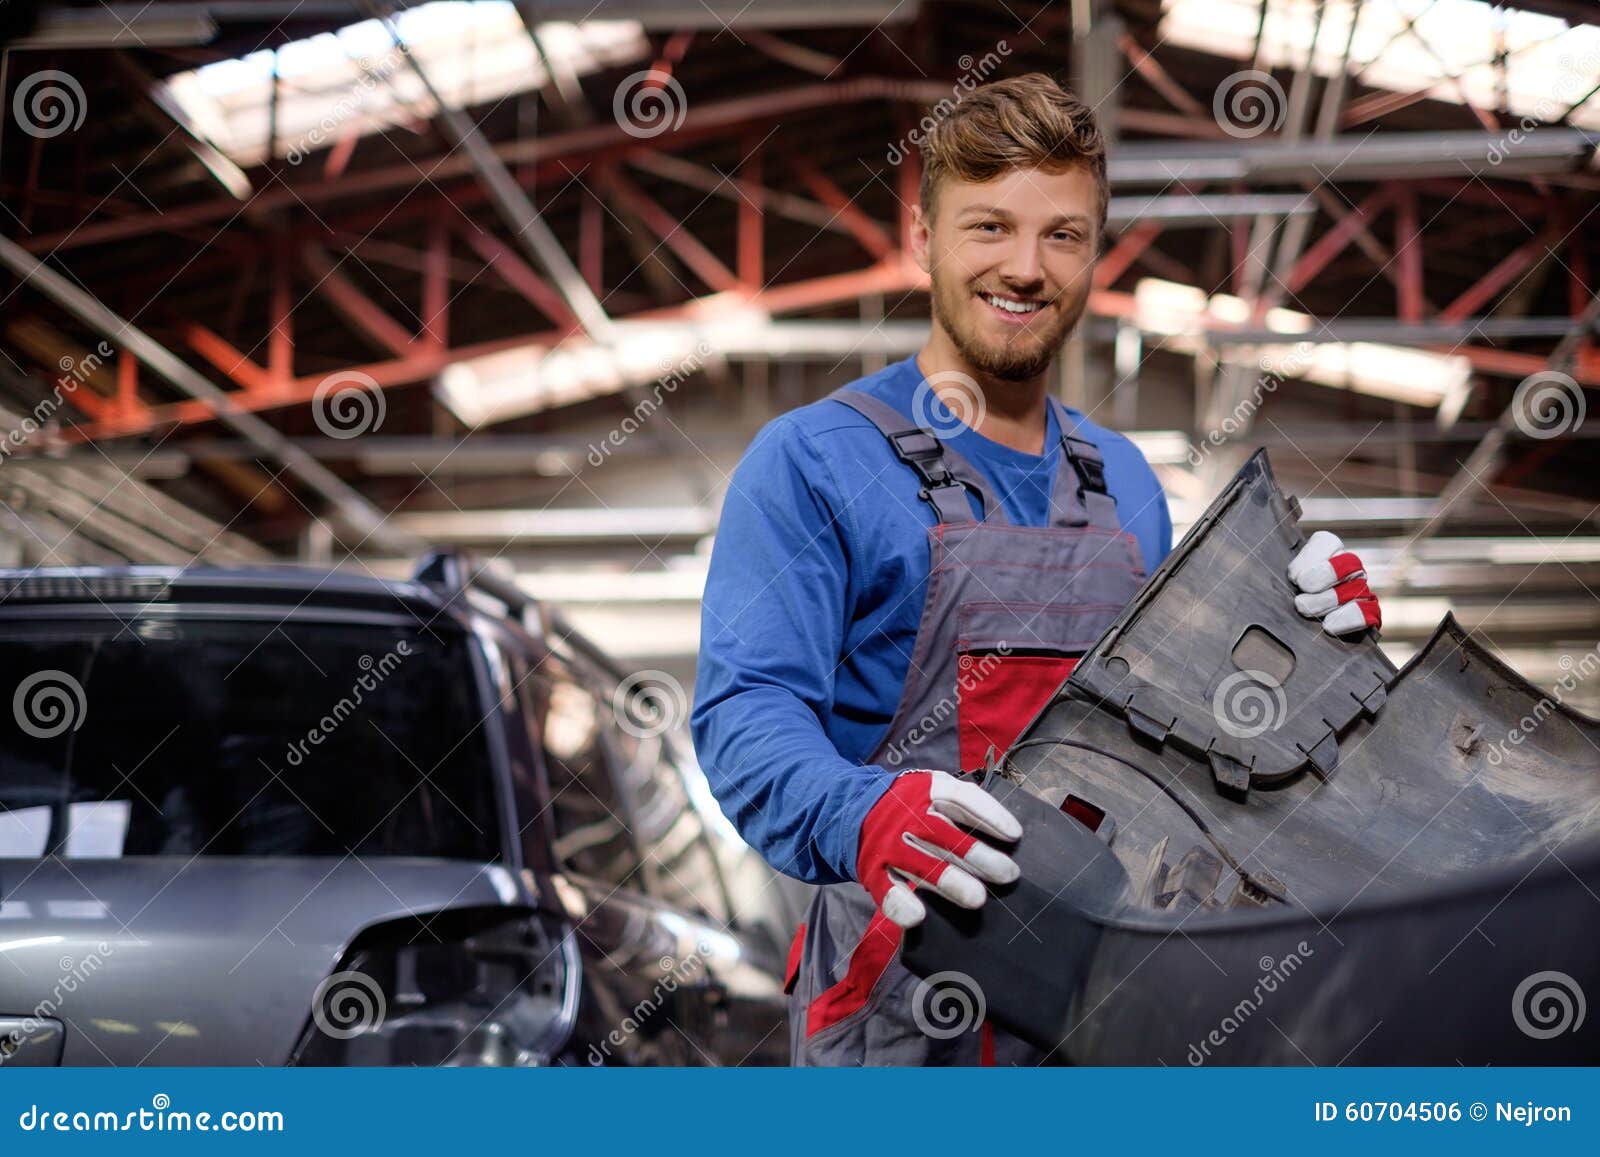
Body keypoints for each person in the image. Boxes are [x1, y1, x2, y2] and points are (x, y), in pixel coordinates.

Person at [691, 73, 1381, 1066]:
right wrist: (864, 811)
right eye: (989, 227)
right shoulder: (812, 462)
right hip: (897, 1015)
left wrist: (1304, 647)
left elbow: (1187, 744)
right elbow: (745, 711)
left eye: (1062, 234)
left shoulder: (1126, 483)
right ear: (923, 237)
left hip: (1107, 1012)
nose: (1025, 267)